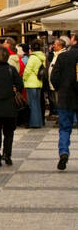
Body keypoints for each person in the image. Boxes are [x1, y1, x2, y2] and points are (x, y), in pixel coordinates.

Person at [50, 34, 78, 170]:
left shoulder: (63, 56)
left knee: (65, 129)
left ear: (74, 40)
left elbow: (54, 77)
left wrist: (59, 89)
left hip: (65, 97)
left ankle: (63, 152)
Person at [21, 40, 47, 129]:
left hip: (31, 83)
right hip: (39, 83)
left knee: (33, 104)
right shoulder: (42, 57)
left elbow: (27, 70)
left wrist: (23, 79)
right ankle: (39, 122)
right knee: (37, 104)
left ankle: (35, 123)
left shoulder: (33, 58)